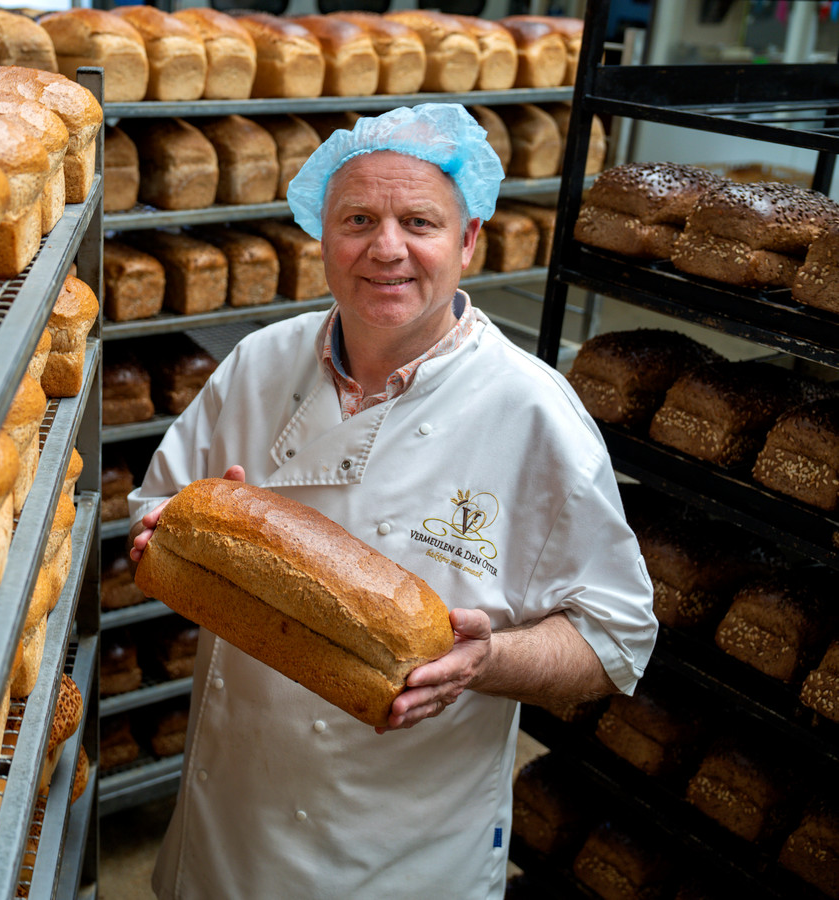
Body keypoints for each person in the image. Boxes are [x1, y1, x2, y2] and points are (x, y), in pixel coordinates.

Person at [125, 103, 657, 899]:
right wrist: (177, 537)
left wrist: (490, 659)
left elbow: (615, 641)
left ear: (468, 240)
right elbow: (156, 506)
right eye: (357, 219)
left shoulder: (532, 412)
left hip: (400, 848)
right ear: (320, 237)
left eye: (419, 221)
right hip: (228, 819)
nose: (385, 249)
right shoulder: (258, 363)